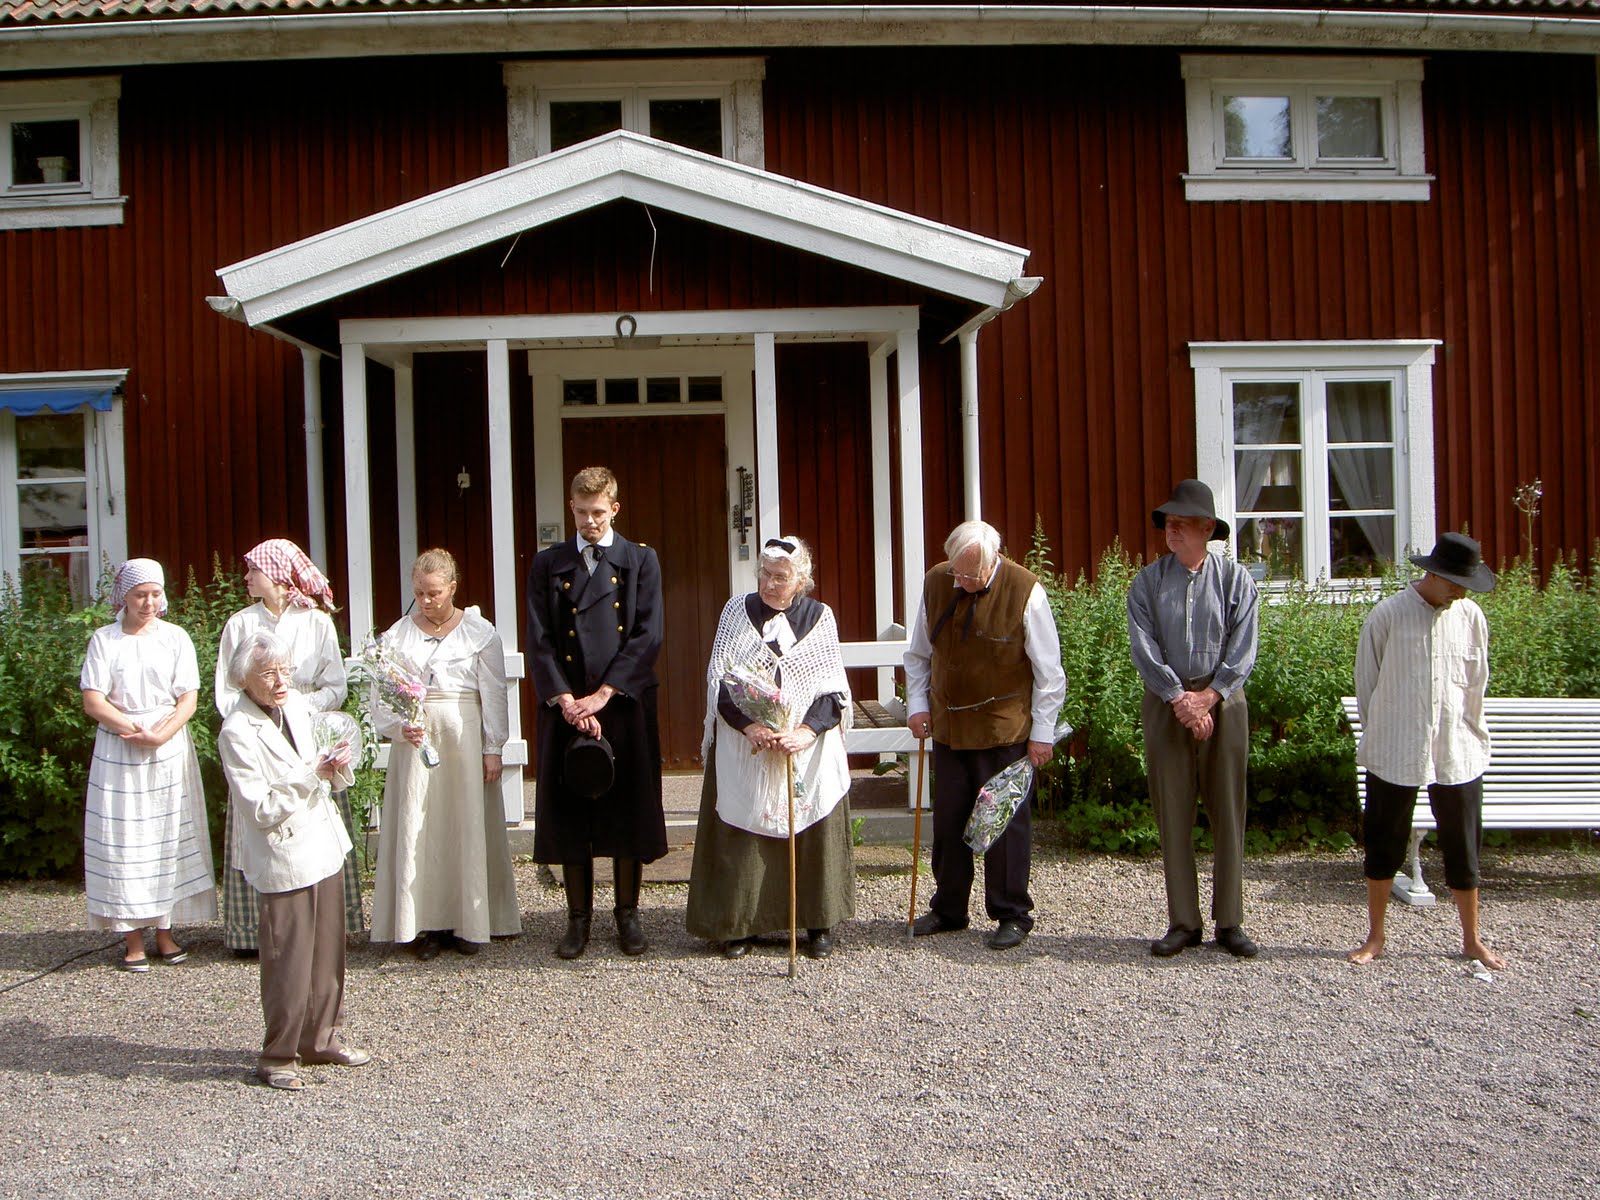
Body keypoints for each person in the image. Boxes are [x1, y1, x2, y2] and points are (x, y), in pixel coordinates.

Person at [686, 536, 855, 959]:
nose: (770, 584)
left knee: (813, 827)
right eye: (765, 574)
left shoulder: (820, 617)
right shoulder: (735, 612)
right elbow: (721, 682)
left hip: (805, 747)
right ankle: (738, 924)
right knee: (743, 831)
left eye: (781, 577)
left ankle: (817, 924)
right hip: (749, 746)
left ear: (801, 581)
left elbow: (832, 690)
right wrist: (749, 727)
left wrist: (806, 732)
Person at [526, 466, 667, 960]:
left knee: (627, 810)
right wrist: (567, 701)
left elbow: (648, 635)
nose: (590, 521)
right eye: (582, 512)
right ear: (571, 507)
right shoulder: (549, 564)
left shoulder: (640, 561)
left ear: (615, 509)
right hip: (567, 705)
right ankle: (577, 920)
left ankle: (627, 915)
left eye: (599, 513)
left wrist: (603, 696)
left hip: (621, 703)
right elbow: (539, 639)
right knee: (571, 812)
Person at [219, 631, 369, 1091]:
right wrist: (312, 774)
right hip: (282, 851)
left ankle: (321, 1039)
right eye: (268, 673)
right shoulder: (236, 731)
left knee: (328, 952)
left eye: (285, 669)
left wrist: (339, 763)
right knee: (288, 958)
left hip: (322, 843)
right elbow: (260, 808)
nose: (281, 680)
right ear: (244, 681)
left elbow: (330, 773)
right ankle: (278, 1055)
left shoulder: (300, 707)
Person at [905, 521, 1065, 950]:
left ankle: (1012, 913)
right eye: (956, 571)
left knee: (1005, 825)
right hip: (950, 726)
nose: (960, 580)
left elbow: (1049, 674)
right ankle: (948, 909)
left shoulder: (1025, 590)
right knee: (949, 821)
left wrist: (1042, 734)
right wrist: (918, 705)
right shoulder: (937, 582)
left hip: (1004, 729)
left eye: (969, 574)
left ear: (993, 560)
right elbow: (918, 654)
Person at [1348, 532, 1504, 969]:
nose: (1460, 591)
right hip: (1395, 746)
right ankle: (1375, 936)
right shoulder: (1388, 616)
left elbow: (1477, 683)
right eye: (1455, 581)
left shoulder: (1471, 617)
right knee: (1384, 842)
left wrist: (1471, 734)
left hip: (1457, 748)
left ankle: (1472, 939)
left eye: (1467, 584)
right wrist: (1386, 731)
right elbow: (1367, 687)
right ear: (1432, 572)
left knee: (1464, 846)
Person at [1127, 479, 1260, 959]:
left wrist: (1209, 697)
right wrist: (1180, 698)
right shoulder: (1147, 582)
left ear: (1207, 529)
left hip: (1224, 702)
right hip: (1166, 705)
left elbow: (1243, 647)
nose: (1172, 531)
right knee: (1174, 811)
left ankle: (1230, 922)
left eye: (1182, 524)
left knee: (1228, 808)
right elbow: (1143, 647)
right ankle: (1183, 921)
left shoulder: (1236, 580)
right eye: (1168, 524)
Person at [368, 549, 520, 959]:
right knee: (420, 827)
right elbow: (380, 696)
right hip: (417, 741)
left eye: (434, 592)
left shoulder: (479, 632)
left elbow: (492, 693)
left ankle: (469, 922)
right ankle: (422, 924)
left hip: (463, 738)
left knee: (464, 825)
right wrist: (400, 727)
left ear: (452, 588)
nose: (426, 600)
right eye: (419, 592)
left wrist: (493, 748)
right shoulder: (397, 636)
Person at [215, 538, 358, 958]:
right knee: (263, 821)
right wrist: (256, 720)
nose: (246, 577)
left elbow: (336, 685)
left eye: (253, 570)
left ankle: (330, 926)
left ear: (277, 575)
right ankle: (251, 933)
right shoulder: (240, 624)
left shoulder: (316, 623)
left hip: (308, 735)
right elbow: (226, 688)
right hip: (258, 737)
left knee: (320, 823)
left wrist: (298, 709)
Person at [80, 558, 217, 971]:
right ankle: (132, 938)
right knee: (125, 840)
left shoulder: (175, 638)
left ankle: (166, 931)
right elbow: (93, 699)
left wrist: (160, 733)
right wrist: (132, 728)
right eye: (140, 595)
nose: (149, 602)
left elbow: (188, 698)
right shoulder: (105, 640)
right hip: (120, 749)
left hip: (167, 745)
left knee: (166, 836)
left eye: (155, 594)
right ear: (124, 596)